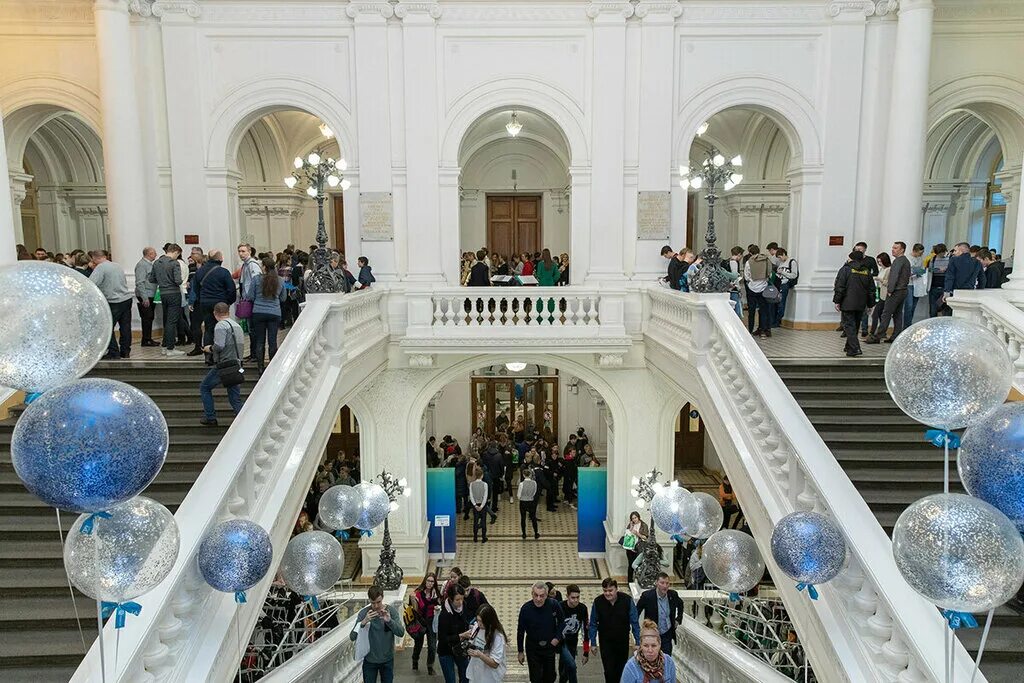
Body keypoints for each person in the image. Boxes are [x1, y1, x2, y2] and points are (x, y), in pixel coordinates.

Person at [199, 303, 244, 426]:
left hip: (225, 365)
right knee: (234, 397)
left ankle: (210, 417)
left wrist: (209, 349)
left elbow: (219, 345)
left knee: (204, 387)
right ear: (228, 312)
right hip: (236, 364)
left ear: (215, 313)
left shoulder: (220, 326)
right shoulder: (237, 325)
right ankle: (244, 420)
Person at [588, 577, 640, 683]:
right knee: (609, 670)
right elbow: (593, 623)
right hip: (605, 642)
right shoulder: (598, 602)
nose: (607, 593)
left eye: (610, 590)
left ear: (616, 589)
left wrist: (638, 641)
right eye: (605, 591)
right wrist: (593, 643)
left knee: (621, 670)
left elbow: (634, 622)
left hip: (622, 641)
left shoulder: (627, 600)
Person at [349, 585, 404, 683]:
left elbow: (401, 633)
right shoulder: (364, 613)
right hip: (369, 660)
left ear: (382, 597)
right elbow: (352, 637)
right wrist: (363, 622)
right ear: (369, 600)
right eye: (373, 603)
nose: (376, 606)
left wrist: (389, 621)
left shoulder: (391, 611)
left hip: (387, 660)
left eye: (378, 602)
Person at [516, 581, 566, 683]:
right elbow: (520, 631)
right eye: (536, 595)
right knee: (535, 678)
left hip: (549, 647)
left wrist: (557, 638)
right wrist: (520, 651)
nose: (538, 599)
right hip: (533, 648)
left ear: (546, 595)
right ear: (532, 594)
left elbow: (562, 622)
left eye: (542, 596)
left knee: (550, 677)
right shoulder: (526, 609)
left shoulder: (554, 605)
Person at [88, 250, 134, 360]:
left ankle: (114, 352)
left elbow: (91, 283)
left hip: (113, 301)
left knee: (107, 327)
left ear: (94, 258)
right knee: (125, 327)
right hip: (126, 299)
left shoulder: (100, 268)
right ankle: (125, 351)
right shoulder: (117, 265)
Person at [833, 250, 876, 358]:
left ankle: (855, 348)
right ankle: (849, 347)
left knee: (848, 326)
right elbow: (871, 289)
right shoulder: (866, 271)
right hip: (861, 303)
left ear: (851, 258)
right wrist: (871, 304)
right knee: (855, 326)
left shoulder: (845, 269)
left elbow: (840, 287)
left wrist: (837, 301)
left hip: (847, 302)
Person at [866, 242, 911, 344]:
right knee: (897, 314)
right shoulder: (906, 261)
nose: (893, 250)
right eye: (893, 247)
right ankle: (895, 335)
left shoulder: (898, 261)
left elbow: (894, 276)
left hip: (895, 291)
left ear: (902, 250)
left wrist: (890, 290)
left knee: (886, 314)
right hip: (903, 290)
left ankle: (877, 336)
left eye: (896, 248)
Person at [194, 249, 237, 353]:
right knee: (222, 327)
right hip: (220, 303)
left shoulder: (200, 271)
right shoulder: (223, 272)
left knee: (208, 329)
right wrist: (228, 302)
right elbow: (231, 289)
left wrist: (202, 299)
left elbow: (195, 288)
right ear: (220, 259)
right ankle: (221, 353)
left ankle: (208, 356)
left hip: (205, 303)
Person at [250, 256, 286, 375]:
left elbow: (250, 296)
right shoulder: (280, 280)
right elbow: (283, 298)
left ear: (264, 267)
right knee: (272, 341)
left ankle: (260, 368)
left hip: (258, 312)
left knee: (260, 341)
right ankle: (272, 368)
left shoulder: (256, 279)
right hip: (274, 313)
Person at [148, 243, 185, 355]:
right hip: (174, 293)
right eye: (177, 254)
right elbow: (178, 281)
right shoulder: (174, 263)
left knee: (166, 320)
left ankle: (164, 346)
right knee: (172, 321)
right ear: (175, 252)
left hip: (163, 294)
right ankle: (170, 348)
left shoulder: (156, 263)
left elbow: (151, 279)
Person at [636, 573, 684, 655]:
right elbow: (636, 611)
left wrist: (678, 619)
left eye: (667, 583)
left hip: (667, 634)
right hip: (652, 634)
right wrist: (637, 630)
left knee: (666, 658)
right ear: (656, 583)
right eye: (662, 583)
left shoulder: (673, 595)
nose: (665, 586)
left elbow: (680, 604)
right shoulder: (647, 596)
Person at [437, 584, 473, 683]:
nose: (460, 602)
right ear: (451, 598)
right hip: (446, 651)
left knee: (466, 676)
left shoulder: (463, 605)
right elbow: (442, 638)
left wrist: (469, 628)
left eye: (462, 599)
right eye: (457, 600)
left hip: (460, 648)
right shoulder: (444, 615)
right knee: (450, 680)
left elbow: (465, 621)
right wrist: (461, 636)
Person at [466, 604, 507, 682]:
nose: (479, 623)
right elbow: (471, 642)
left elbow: (495, 664)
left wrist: (480, 655)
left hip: (490, 677)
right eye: (477, 620)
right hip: (476, 673)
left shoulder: (498, 637)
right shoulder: (477, 627)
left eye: (481, 621)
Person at [410, 573, 440, 675]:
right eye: (428, 580)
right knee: (418, 644)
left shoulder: (436, 594)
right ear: (425, 581)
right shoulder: (418, 593)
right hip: (421, 622)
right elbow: (414, 610)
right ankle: (415, 660)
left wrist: (438, 608)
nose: (430, 583)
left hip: (432, 622)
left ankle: (430, 666)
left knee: (432, 646)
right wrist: (414, 600)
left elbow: (441, 605)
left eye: (432, 581)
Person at [558, 584, 590, 683]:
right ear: (567, 596)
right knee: (571, 666)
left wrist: (586, 651)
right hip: (561, 642)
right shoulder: (560, 606)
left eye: (577, 597)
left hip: (573, 642)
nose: (575, 600)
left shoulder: (582, 608)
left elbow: (585, 631)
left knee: (565, 670)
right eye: (573, 598)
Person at [743, 245, 771, 337]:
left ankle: (750, 330)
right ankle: (763, 331)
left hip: (752, 288)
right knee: (763, 310)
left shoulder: (748, 262)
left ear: (750, 253)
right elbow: (770, 274)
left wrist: (751, 281)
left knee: (751, 310)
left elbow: (746, 276)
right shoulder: (766, 260)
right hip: (763, 287)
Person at [134, 247, 160, 347]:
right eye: (154, 253)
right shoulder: (141, 265)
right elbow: (140, 282)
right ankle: (146, 340)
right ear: (149, 254)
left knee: (150, 317)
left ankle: (148, 338)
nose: (156, 255)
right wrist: (144, 297)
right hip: (146, 294)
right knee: (147, 317)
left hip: (151, 294)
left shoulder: (149, 264)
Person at [866, 252, 891, 339]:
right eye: (878, 262)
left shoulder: (888, 269)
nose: (879, 264)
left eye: (880, 262)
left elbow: (888, 283)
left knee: (875, 314)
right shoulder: (882, 269)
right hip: (880, 293)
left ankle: (873, 333)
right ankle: (881, 332)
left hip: (884, 294)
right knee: (879, 314)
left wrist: (879, 279)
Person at [903, 243, 927, 329]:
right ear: (914, 251)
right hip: (909, 283)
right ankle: (906, 326)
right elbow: (906, 272)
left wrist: (921, 271)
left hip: (917, 283)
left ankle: (910, 323)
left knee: (914, 305)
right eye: (920, 253)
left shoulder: (920, 259)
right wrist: (914, 272)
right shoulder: (907, 259)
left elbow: (921, 268)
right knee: (909, 305)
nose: (921, 255)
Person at [623, 511, 649, 584]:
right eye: (632, 518)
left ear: (638, 517)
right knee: (631, 564)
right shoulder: (630, 525)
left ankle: (639, 581)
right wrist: (631, 527)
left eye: (635, 518)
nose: (634, 519)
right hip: (630, 548)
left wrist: (637, 533)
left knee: (639, 564)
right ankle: (630, 581)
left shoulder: (644, 525)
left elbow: (645, 537)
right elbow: (627, 535)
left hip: (640, 548)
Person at [774, 248, 797, 328]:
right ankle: (774, 320)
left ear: (784, 254)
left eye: (780, 257)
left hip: (785, 284)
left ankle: (778, 320)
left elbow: (794, 275)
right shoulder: (781, 263)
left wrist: (782, 272)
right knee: (776, 303)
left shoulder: (792, 262)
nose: (780, 259)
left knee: (781, 303)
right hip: (779, 284)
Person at [468, 465, 489, 543]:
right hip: (482, 506)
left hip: (475, 505)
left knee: (475, 522)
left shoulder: (471, 484)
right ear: (482, 475)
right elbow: (485, 496)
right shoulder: (485, 484)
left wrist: (475, 505)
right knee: (483, 521)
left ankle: (475, 537)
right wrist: (482, 506)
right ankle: (484, 537)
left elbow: (471, 496)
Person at [517, 467, 540, 539]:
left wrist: (521, 498)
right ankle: (536, 533)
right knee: (533, 517)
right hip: (531, 502)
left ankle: (524, 534)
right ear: (530, 475)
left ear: (523, 475)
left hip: (523, 502)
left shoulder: (521, 484)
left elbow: (518, 495)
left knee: (523, 518)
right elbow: (534, 492)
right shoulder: (534, 483)